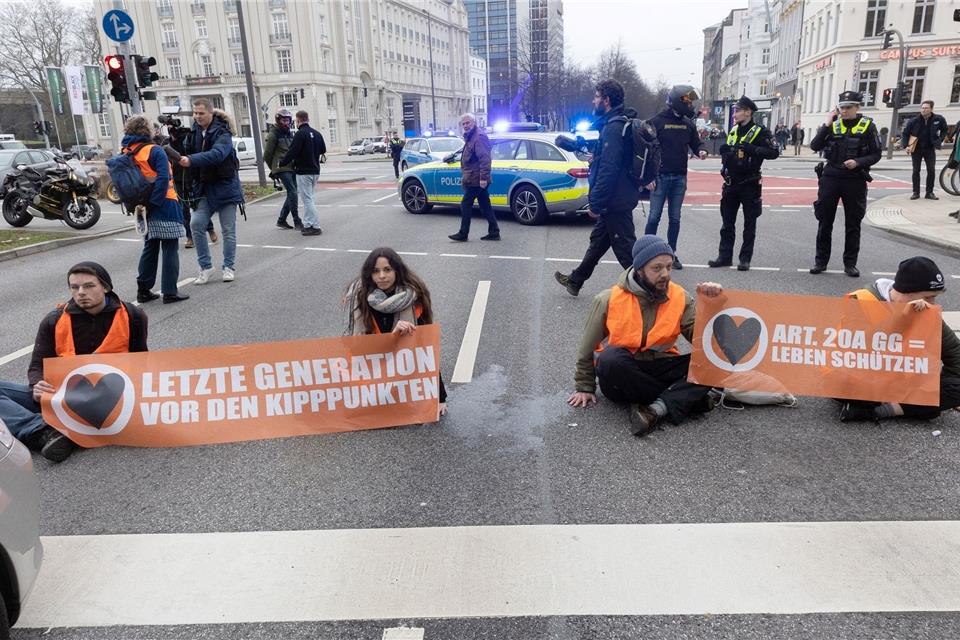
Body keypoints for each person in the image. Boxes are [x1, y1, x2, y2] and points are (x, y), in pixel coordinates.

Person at [567, 235, 722, 436]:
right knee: (610, 358)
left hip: (660, 366)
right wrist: (585, 386)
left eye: (669, 267)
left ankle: (656, 409)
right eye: (657, 268)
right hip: (621, 375)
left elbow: (704, 341)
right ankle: (683, 399)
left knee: (713, 361)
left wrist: (712, 307)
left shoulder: (680, 297)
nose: (665, 274)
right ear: (639, 269)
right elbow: (587, 346)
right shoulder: (608, 299)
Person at [0, 262, 148, 462]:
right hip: (62, 400)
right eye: (74, 287)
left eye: (89, 286)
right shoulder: (54, 320)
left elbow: (141, 361)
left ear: (105, 287)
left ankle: (49, 428)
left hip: (114, 401)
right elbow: (37, 365)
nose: (81, 292)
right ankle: (43, 431)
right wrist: (37, 385)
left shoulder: (133, 315)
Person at [555, 79, 650, 297]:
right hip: (620, 195)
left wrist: (596, 203)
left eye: (597, 97)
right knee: (598, 242)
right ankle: (576, 280)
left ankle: (649, 291)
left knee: (626, 251)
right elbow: (610, 159)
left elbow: (609, 169)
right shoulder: (619, 123)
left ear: (606, 100)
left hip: (614, 201)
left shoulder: (613, 128)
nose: (593, 101)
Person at [838, 256, 960, 422]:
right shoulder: (859, 301)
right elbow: (857, 349)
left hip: (903, 384)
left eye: (935, 297)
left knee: (955, 389)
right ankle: (914, 407)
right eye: (928, 297)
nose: (932, 303)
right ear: (906, 292)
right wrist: (902, 320)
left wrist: (944, 386)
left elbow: (955, 353)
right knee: (845, 385)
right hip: (860, 380)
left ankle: (879, 411)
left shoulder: (926, 311)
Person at [343, 248, 447, 417]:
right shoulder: (359, 296)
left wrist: (439, 397)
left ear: (397, 271)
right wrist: (393, 335)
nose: (382, 276)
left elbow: (425, 349)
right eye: (376, 271)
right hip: (374, 361)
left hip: (403, 363)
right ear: (369, 274)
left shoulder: (413, 298)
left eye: (387, 270)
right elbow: (358, 348)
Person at [809, 91, 881, 278]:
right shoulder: (832, 125)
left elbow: (876, 154)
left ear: (857, 107)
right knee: (825, 221)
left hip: (855, 179)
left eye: (849, 107)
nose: (845, 111)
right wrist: (827, 124)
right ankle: (820, 261)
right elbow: (815, 146)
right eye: (842, 107)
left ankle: (850, 264)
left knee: (853, 223)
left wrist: (858, 162)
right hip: (831, 177)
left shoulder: (868, 126)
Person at [708, 96, 780, 272]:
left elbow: (774, 152)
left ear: (748, 112)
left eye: (738, 111)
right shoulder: (734, 130)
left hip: (750, 183)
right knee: (727, 223)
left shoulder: (760, 131)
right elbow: (731, 152)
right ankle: (724, 257)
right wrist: (725, 152)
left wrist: (753, 149)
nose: (735, 114)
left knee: (749, 223)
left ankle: (745, 259)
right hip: (731, 183)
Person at [123, 117, 190, 305]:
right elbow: (163, 179)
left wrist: (145, 205)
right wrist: (154, 203)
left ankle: (143, 290)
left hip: (140, 206)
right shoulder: (155, 150)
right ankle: (169, 291)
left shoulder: (127, 151)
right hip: (164, 204)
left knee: (150, 246)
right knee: (170, 247)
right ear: (148, 130)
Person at [179, 98, 244, 284]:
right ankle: (206, 266)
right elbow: (185, 154)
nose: (197, 116)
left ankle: (228, 267)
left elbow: (218, 154)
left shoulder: (223, 133)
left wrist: (191, 160)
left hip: (225, 188)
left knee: (228, 230)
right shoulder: (193, 133)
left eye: (201, 113)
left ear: (210, 113)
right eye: (195, 113)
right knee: (196, 224)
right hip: (204, 188)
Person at [644, 85, 708, 270]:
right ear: (677, 101)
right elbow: (646, 150)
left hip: (680, 177)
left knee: (675, 218)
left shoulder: (688, 123)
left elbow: (696, 143)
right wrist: (648, 177)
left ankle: (671, 254)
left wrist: (701, 150)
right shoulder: (656, 122)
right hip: (660, 177)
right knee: (654, 217)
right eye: (687, 102)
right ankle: (647, 252)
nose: (690, 105)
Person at [448, 112, 500, 242]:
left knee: (465, 204)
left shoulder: (478, 137)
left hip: (476, 179)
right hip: (473, 177)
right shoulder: (471, 137)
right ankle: (494, 231)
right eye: (464, 124)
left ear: (474, 123)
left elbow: (485, 159)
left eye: (468, 123)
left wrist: (483, 178)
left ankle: (463, 233)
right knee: (485, 205)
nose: (466, 125)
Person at [164, 122, 216, 250]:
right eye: (169, 129)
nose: (172, 131)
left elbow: (188, 152)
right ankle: (189, 237)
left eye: (173, 128)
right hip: (177, 179)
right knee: (184, 210)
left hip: (191, 176)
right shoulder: (166, 143)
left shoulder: (187, 137)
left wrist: (179, 137)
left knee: (198, 206)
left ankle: (210, 228)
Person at [280, 110, 326, 237]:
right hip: (315, 170)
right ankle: (308, 224)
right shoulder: (317, 133)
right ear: (308, 119)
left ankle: (315, 226)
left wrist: (282, 163)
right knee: (309, 198)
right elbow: (323, 149)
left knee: (307, 200)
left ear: (298, 120)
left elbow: (292, 151)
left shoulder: (300, 134)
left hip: (303, 171)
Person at [901, 100, 948, 201]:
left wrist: (939, 140)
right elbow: (905, 134)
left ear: (931, 109)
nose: (923, 110)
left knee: (931, 170)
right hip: (916, 149)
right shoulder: (913, 121)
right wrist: (906, 146)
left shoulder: (938, 119)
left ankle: (929, 193)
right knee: (916, 170)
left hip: (929, 149)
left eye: (926, 108)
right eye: (922, 108)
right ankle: (916, 192)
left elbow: (945, 129)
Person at [264, 108, 301, 231]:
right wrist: (273, 169)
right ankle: (297, 220)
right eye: (284, 120)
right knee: (293, 192)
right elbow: (267, 155)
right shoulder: (273, 134)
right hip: (281, 167)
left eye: (288, 120)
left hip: (291, 166)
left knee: (293, 193)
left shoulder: (289, 133)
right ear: (278, 120)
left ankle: (281, 220)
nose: (286, 123)